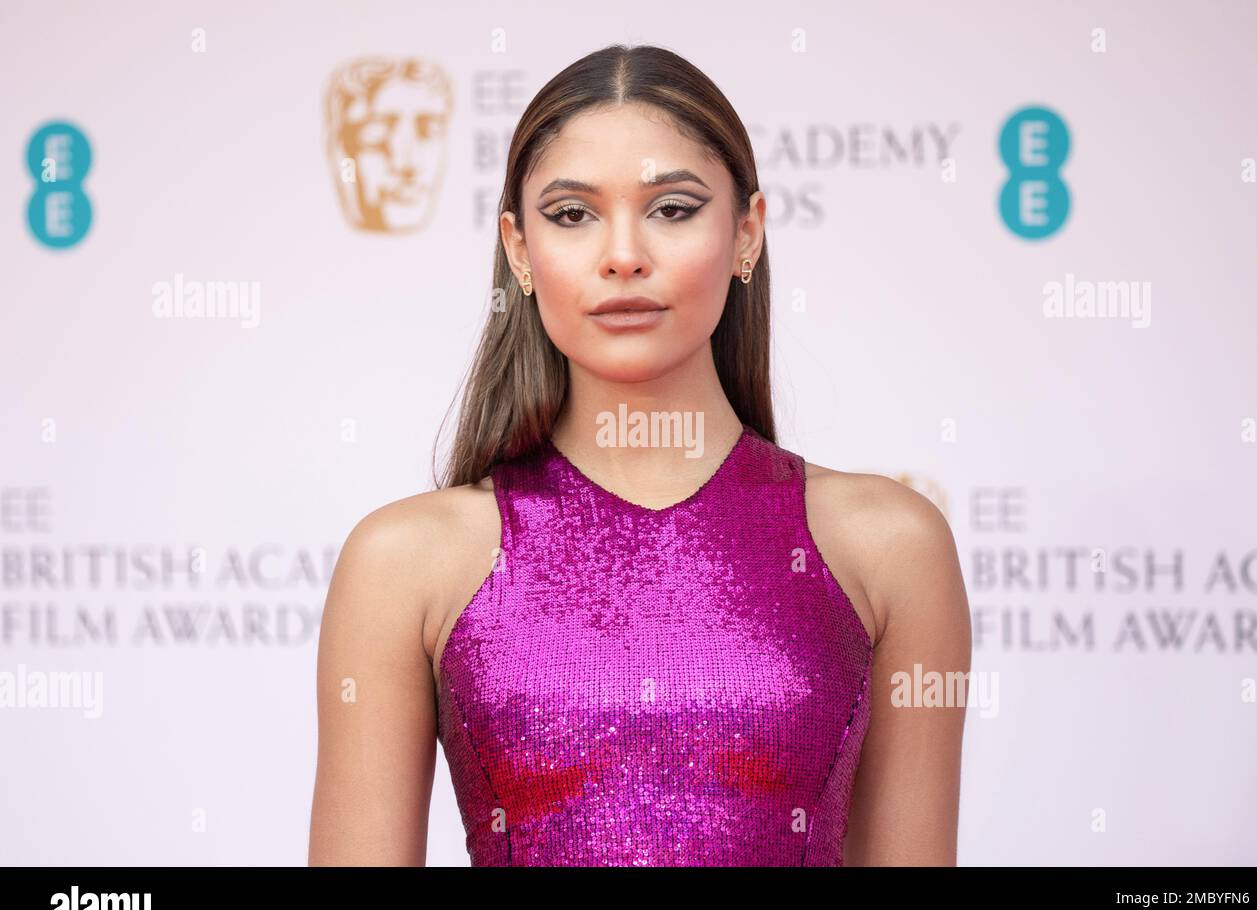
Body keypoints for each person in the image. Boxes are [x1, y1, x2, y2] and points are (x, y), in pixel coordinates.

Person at [308, 43, 971, 866]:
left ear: (747, 233)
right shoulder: (405, 562)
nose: (623, 255)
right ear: (519, 250)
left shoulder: (888, 545)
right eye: (573, 215)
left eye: (673, 208)